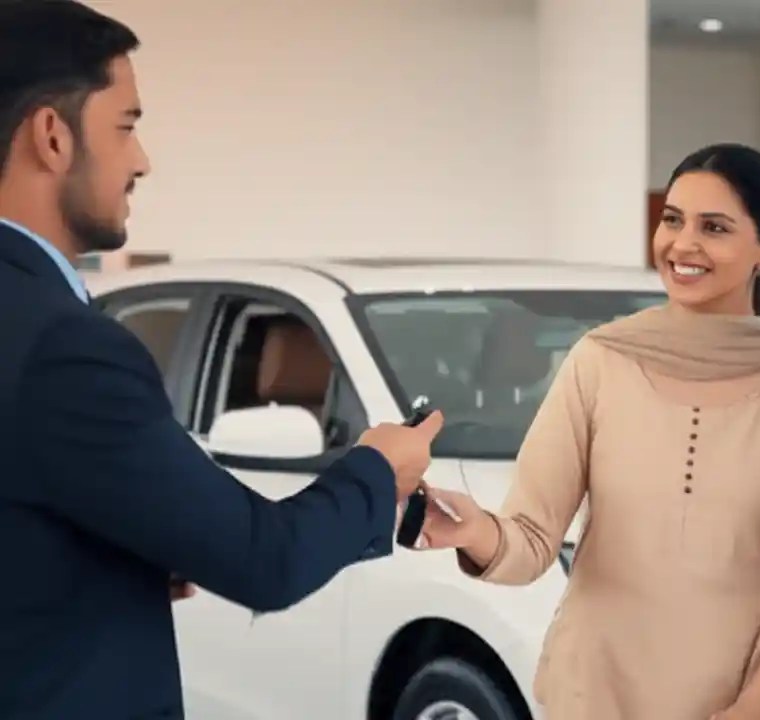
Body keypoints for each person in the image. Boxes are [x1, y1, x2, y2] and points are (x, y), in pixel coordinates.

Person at [0, 2, 444, 718]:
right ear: (53, 136)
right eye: (126, 126)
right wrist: (378, 470)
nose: (141, 159)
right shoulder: (65, 347)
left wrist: (109, 558)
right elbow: (266, 561)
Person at [412, 143, 760, 719]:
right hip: (595, 693)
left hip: (740, 700)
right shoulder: (601, 361)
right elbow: (533, 539)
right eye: (673, 220)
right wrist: (476, 533)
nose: (683, 244)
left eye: (714, 227)